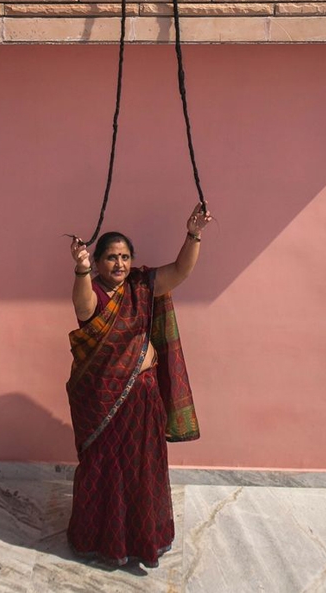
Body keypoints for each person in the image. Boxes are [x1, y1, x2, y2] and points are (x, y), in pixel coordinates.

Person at [66, 202, 212, 567]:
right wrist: (81, 271)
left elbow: (179, 271)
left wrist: (193, 234)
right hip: (104, 403)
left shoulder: (141, 287)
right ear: (98, 262)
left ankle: (143, 539)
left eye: (125, 256)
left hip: (144, 399)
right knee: (105, 468)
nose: (120, 264)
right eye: (112, 257)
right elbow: (83, 310)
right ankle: (99, 540)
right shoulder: (95, 292)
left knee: (141, 469)